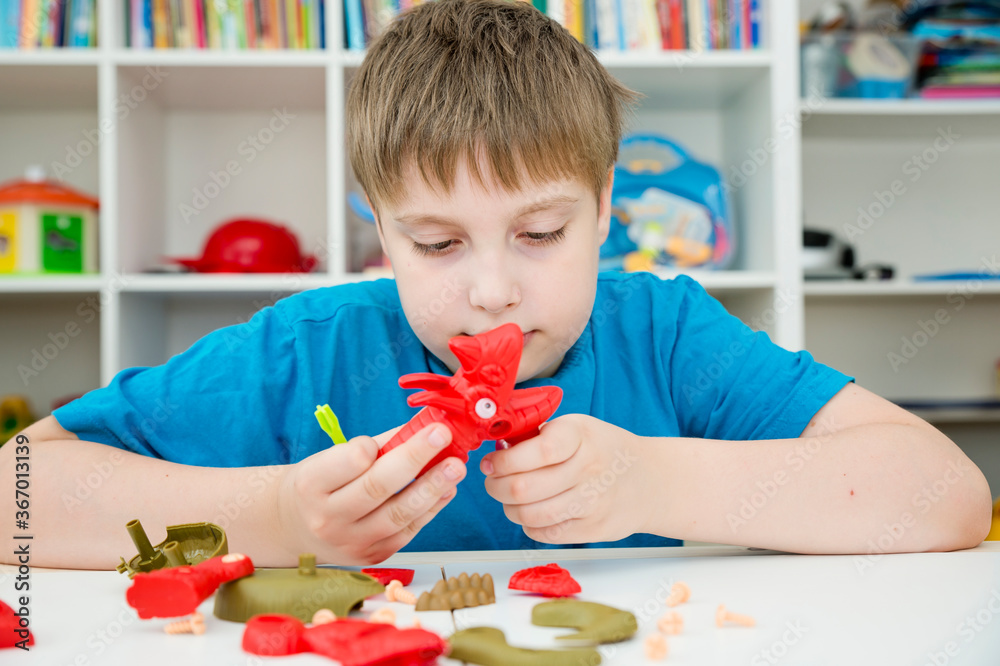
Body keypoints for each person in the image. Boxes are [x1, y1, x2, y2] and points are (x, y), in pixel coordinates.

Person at [2, 0, 991, 569]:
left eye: (541, 232)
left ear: (605, 211)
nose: (489, 293)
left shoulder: (670, 336)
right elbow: (16, 493)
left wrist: (659, 479)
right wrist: (277, 517)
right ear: (376, 229)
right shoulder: (307, 346)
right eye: (434, 244)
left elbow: (946, 497)